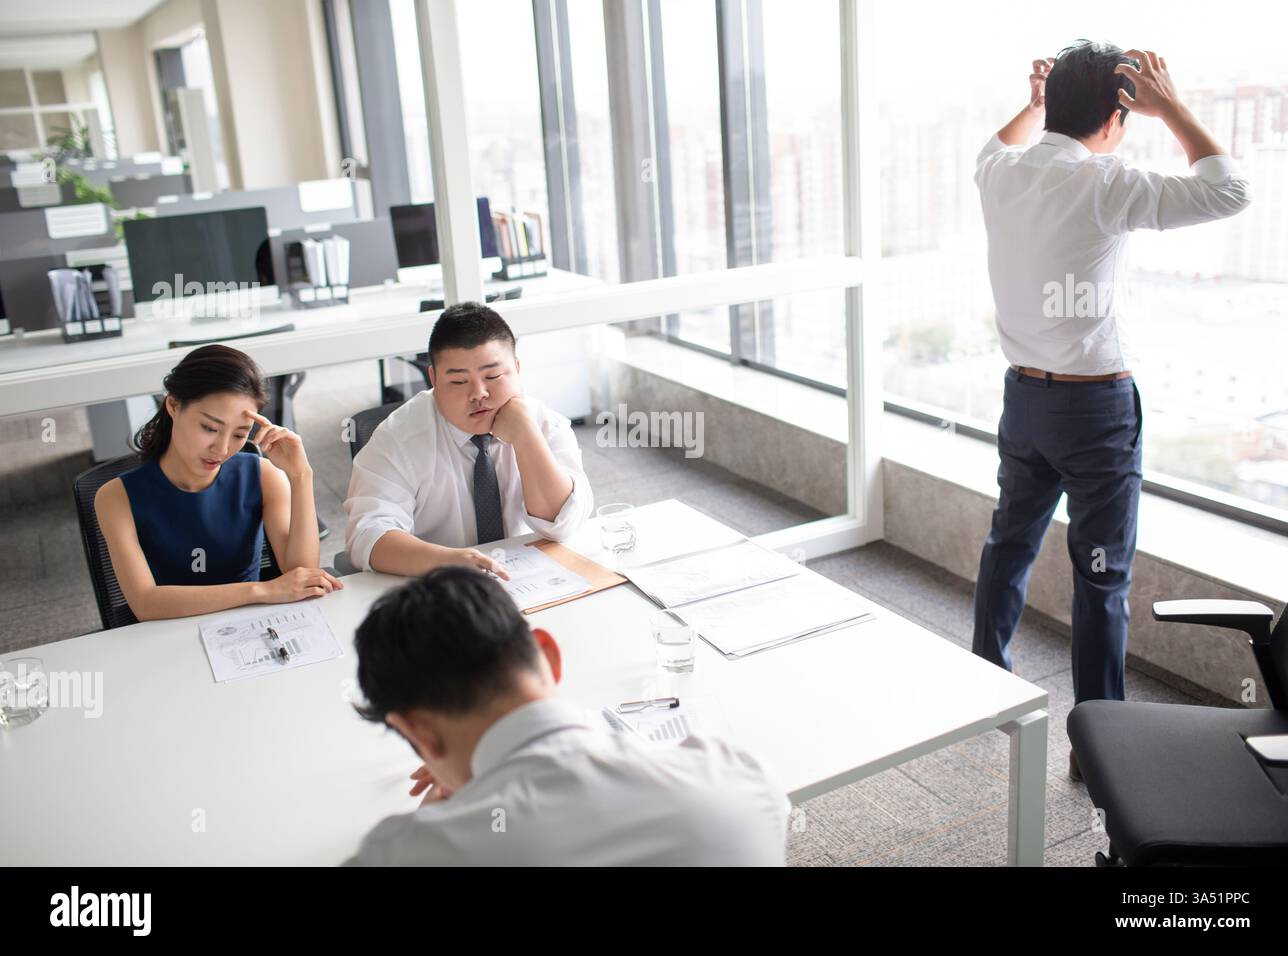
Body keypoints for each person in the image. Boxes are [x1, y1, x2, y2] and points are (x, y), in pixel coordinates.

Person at [970, 41, 1253, 779]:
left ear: (1052, 106)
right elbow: (1229, 192)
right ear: (1117, 115)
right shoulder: (1107, 182)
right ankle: (1099, 752)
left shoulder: (1002, 172)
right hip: (1094, 413)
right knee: (1101, 578)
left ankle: (980, 688)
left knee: (1009, 545)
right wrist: (1174, 108)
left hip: (1024, 400)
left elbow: (998, 143)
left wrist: (1034, 106)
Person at [344, 566, 790, 866]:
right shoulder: (740, 778)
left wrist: (437, 821)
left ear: (416, 730)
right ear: (549, 656)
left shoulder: (403, 853)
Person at [344, 301, 594, 577]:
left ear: (518, 368)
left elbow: (562, 524)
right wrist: (450, 562)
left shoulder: (545, 424)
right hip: (441, 591)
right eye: (459, 382)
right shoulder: (397, 438)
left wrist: (527, 438)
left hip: (532, 581)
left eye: (493, 376)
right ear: (434, 379)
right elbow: (368, 537)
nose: (478, 394)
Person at [95, 344, 342, 622]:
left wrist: (300, 476)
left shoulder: (264, 476)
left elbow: (302, 578)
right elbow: (146, 603)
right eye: (210, 429)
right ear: (174, 405)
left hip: (252, 627)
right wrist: (261, 590)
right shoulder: (116, 497)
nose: (222, 449)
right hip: (167, 633)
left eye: (239, 434)